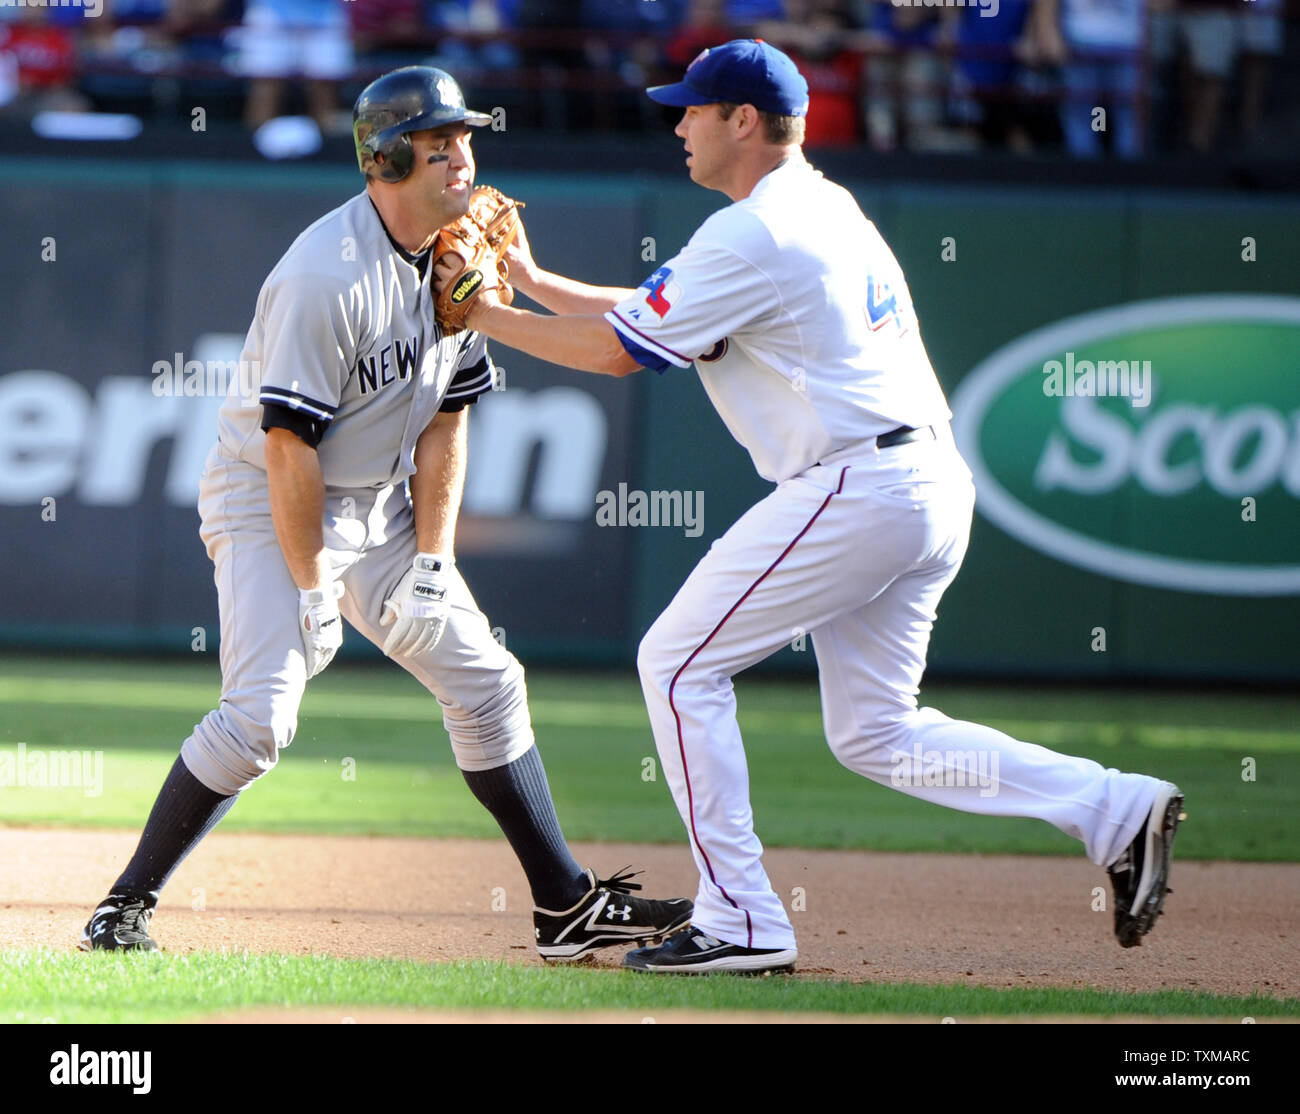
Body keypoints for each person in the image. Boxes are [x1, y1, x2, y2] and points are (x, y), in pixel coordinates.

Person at [432, 39, 1185, 974]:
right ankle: (1114, 807)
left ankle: (741, 916)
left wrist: (484, 317)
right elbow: (662, 316)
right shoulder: (818, 207)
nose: (679, 125)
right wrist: (534, 287)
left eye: (693, 109)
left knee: (674, 663)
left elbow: (622, 354)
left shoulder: (751, 231)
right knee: (875, 730)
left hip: (859, 482)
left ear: (742, 120)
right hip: (926, 482)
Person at [80, 65, 691, 962]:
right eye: (441, 146)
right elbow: (288, 449)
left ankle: (564, 906)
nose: (463, 161)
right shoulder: (326, 276)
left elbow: (449, 422)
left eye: (467, 142)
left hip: (383, 501)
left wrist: (434, 566)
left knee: (488, 683)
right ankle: (121, 907)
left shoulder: (461, 261)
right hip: (272, 499)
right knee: (259, 721)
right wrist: (311, 587)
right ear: (387, 157)